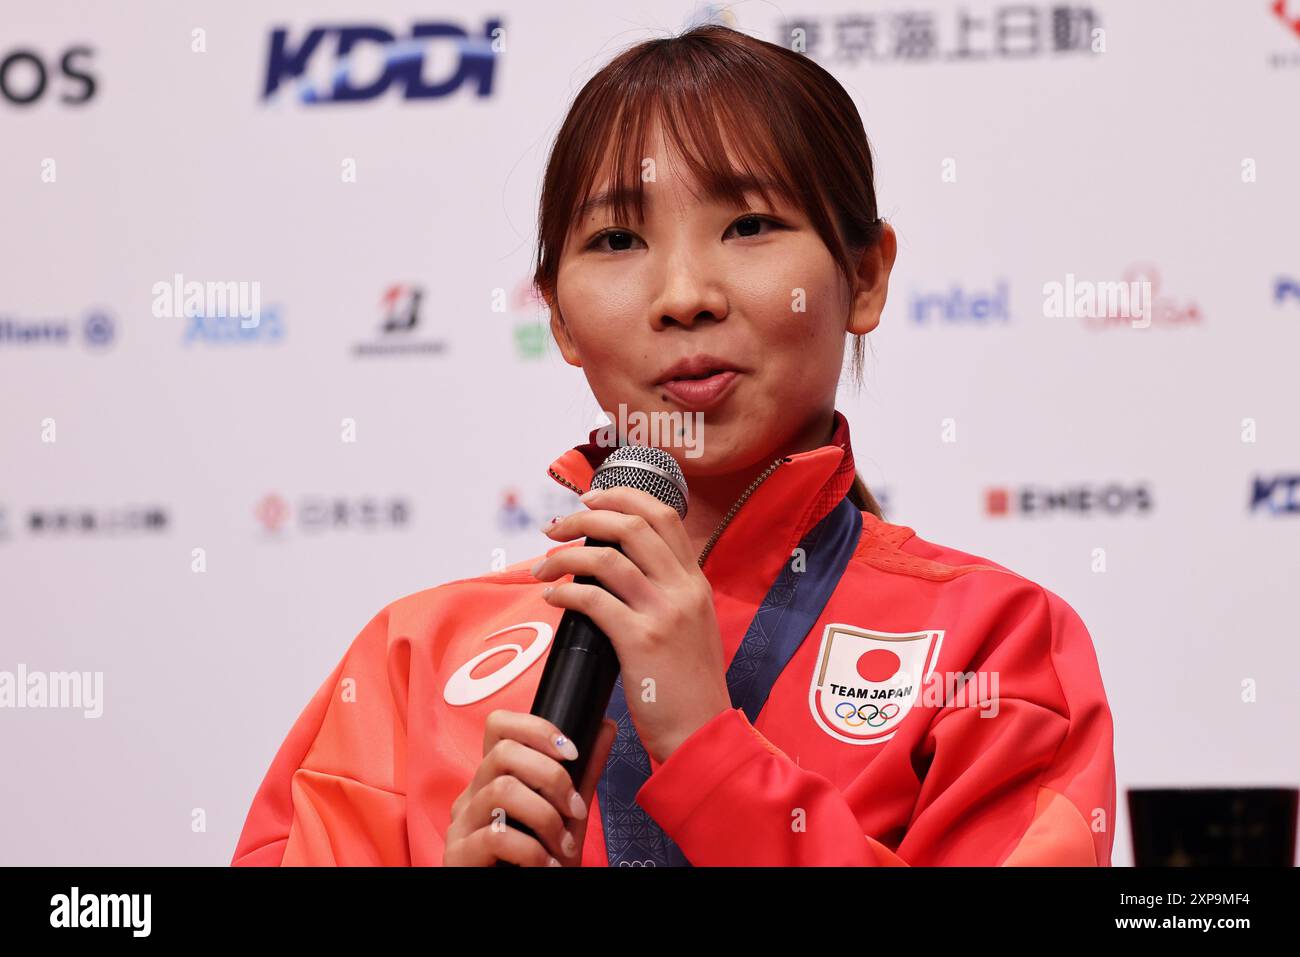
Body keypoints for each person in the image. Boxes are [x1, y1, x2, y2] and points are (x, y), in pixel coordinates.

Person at [231, 24, 1115, 867]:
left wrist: (706, 746)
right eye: (618, 240)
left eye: (750, 226)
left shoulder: (997, 647)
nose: (684, 294)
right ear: (560, 316)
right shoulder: (410, 660)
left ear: (867, 276)